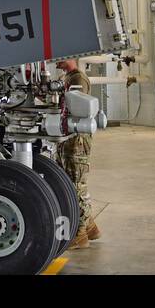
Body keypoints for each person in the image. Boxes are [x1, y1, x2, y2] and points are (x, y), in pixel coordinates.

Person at [55, 57, 99, 248]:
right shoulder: (68, 78)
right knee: (69, 181)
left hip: (77, 139)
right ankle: (90, 226)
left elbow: (76, 109)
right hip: (69, 138)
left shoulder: (78, 80)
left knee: (76, 184)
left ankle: (80, 234)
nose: (55, 60)